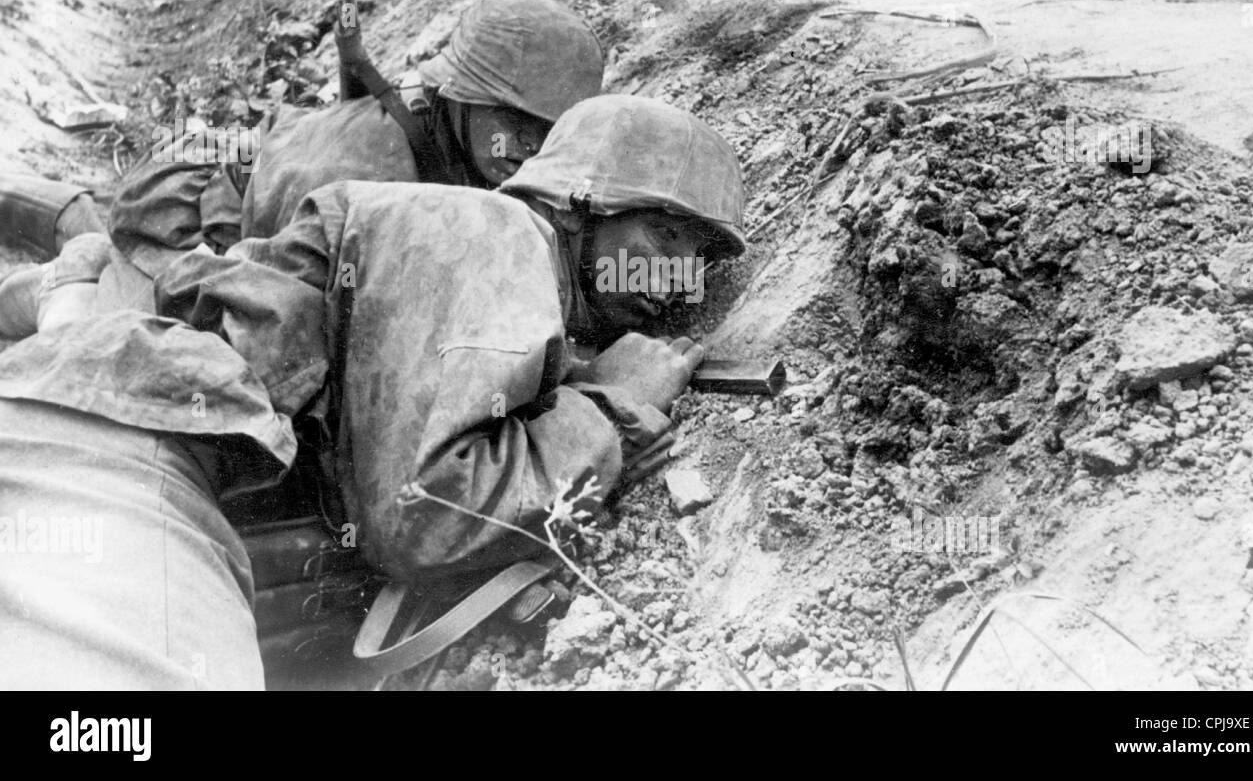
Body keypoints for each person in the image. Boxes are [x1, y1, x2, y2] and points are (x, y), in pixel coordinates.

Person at [0, 94, 744, 688]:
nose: (679, 279)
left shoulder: (500, 265)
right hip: (131, 457)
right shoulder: (501, 232)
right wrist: (611, 406)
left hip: (108, 437)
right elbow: (419, 517)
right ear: (578, 203)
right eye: (665, 239)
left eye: (701, 259)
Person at [110, 0, 605, 274]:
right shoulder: (368, 180)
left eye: (548, 130)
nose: (530, 148)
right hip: (182, 205)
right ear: (460, 97)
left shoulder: (447, 124)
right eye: (513, 124)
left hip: (267, 150)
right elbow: (266, 291)